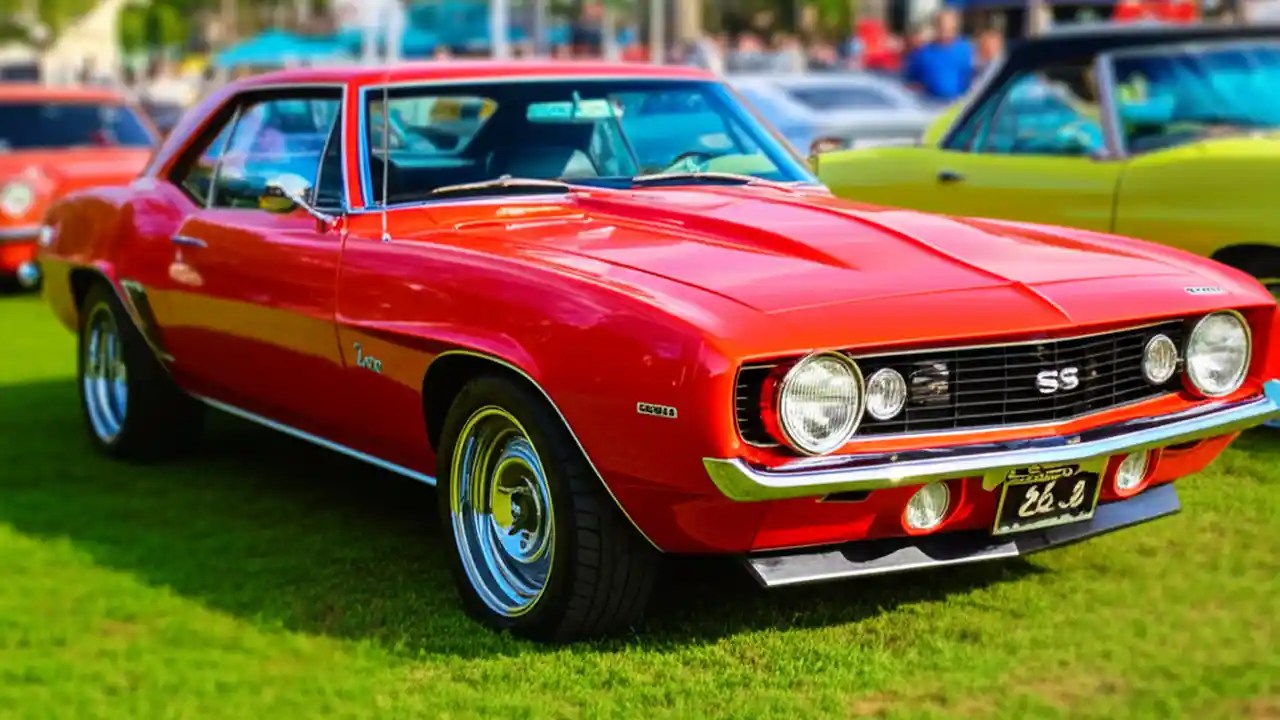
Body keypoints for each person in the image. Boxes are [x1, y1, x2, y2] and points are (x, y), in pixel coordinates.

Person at [903, 9, 974, 103]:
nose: (944, 30)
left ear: (955, 27)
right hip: (930, 106)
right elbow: (909, 80)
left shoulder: (966, 49)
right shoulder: (923, 52)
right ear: (935, 26)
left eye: (948, 27)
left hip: (960, 105)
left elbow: (976, 78)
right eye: (941, 26)